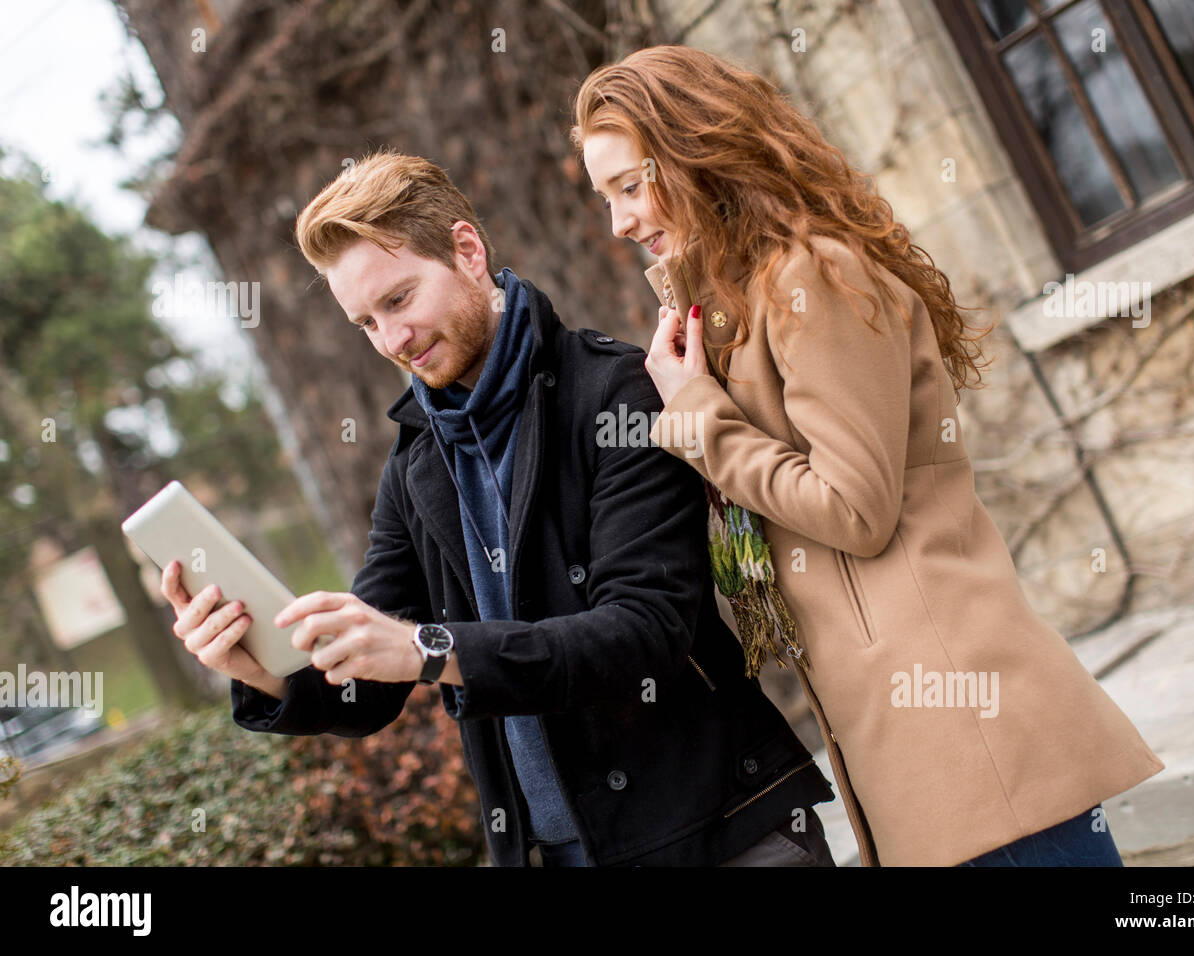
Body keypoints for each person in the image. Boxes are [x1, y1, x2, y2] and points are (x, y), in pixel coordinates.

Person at [572, 45, 1165, 867]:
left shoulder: (811, 277)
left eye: (630, 186)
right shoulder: (747, 302)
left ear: (696, 150)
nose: (621, 222)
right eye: (606, 198)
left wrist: (696, 414)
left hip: (972, 737)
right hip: (914, 739)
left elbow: (856, 509)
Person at [160, 149, 839, 867]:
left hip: (722, 837)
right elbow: (370, 685)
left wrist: (430, 649)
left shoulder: (617, 395)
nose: (392, 341)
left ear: (467, 250)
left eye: (398, 300)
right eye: (365, 322)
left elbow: (643, 634)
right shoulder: (415, 464)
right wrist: (262, 666)